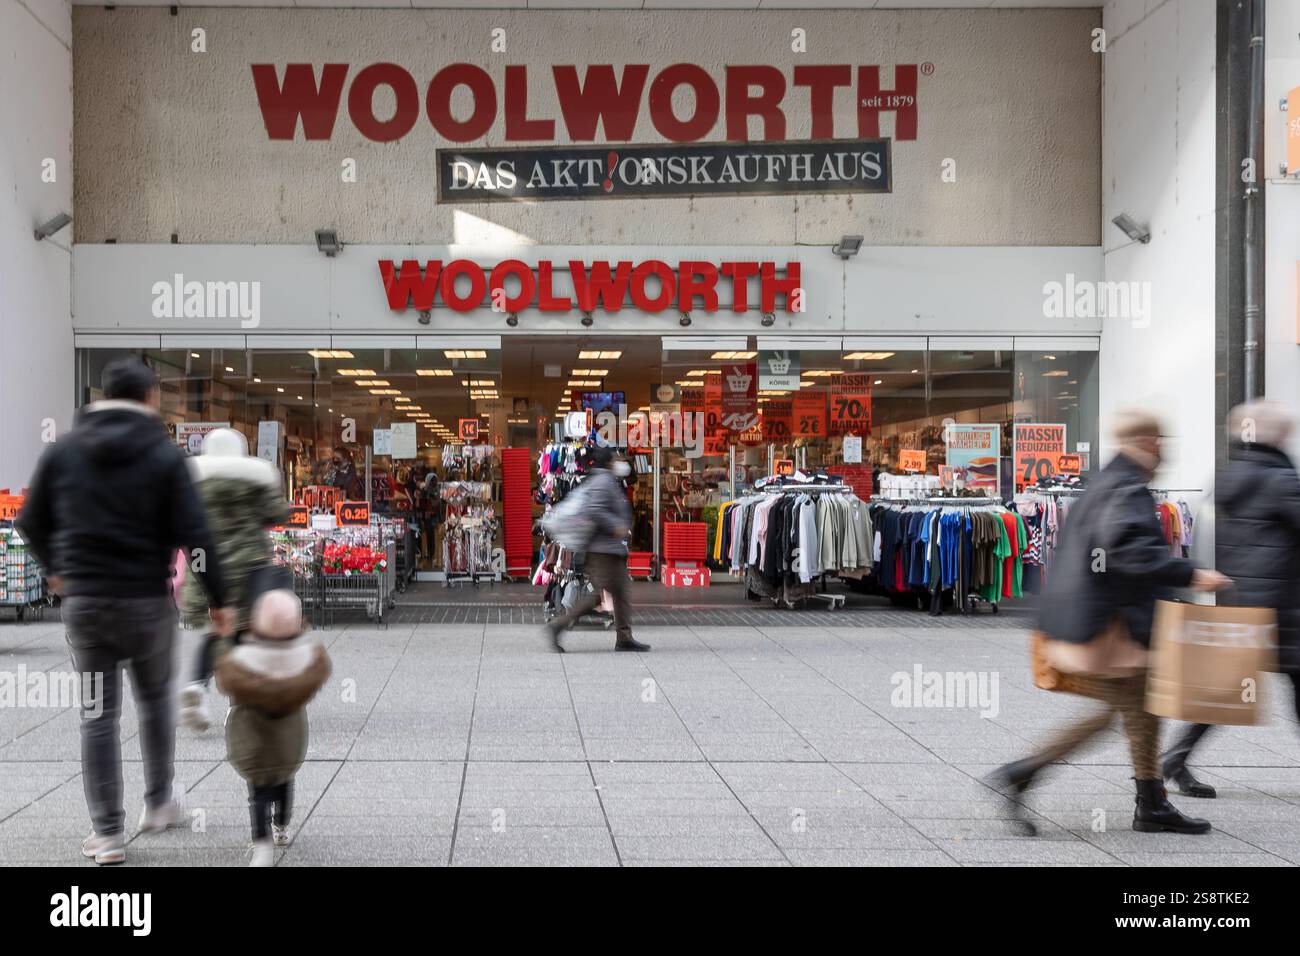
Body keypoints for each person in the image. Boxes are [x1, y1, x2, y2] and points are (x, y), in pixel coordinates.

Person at [16, 358, 234, 865]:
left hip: (87, 605)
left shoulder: (63, 450)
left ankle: (107, 834)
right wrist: (219, 598)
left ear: (101, 395)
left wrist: (56, 567)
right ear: (151, 398)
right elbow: (195, 538)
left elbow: (28, 521)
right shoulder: (164, 455)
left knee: (96, 716)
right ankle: (159, 802)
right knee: (154, 701)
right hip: (146, 604)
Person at [988, 410, 1230, 835]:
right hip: (1109, 625)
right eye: (1159, 439)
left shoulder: (1107, 482)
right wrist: (1191, 574)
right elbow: (1127, 551)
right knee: (1116, 713)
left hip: (1098, 618)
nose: (1164, 449)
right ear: (1145, 441)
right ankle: (1022, 772)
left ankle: (1151, 802)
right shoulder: (1126, 488)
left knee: (1140, 708)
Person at [1159, 400, 1300, 798]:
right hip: (1283, 602)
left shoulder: (1229, 475)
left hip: (1243, 600)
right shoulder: (1281, 480)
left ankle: (1177, 757)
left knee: (1227, 685)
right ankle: (1176, 757)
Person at [178, 428, 291, 732]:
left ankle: (197, 686)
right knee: (241, 633)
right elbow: (277, 513)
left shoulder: (194, 482)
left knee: (216, 631)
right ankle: (239, 705)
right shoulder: (253, 479)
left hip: (206, 565)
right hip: (247, 565)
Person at [214, 589, 331, 866]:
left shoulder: (245, 664)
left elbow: (225, 676)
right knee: (284, 782)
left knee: (258, 793)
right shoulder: (304, 662)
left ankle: (262, 843)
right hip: (287, 746)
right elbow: (319, 669)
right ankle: (282, 824)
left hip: (254, 746)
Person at [542, 446, 649, 653]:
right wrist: (615, 526)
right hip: (603, 550)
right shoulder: (602, 481)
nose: (620, 462)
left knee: (618, 592)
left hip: (608, 549)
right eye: (616, 458)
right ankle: (558, 626)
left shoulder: (605, 480)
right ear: (608, 462)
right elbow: (595, 510)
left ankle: (624, 637)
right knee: (599, 596)